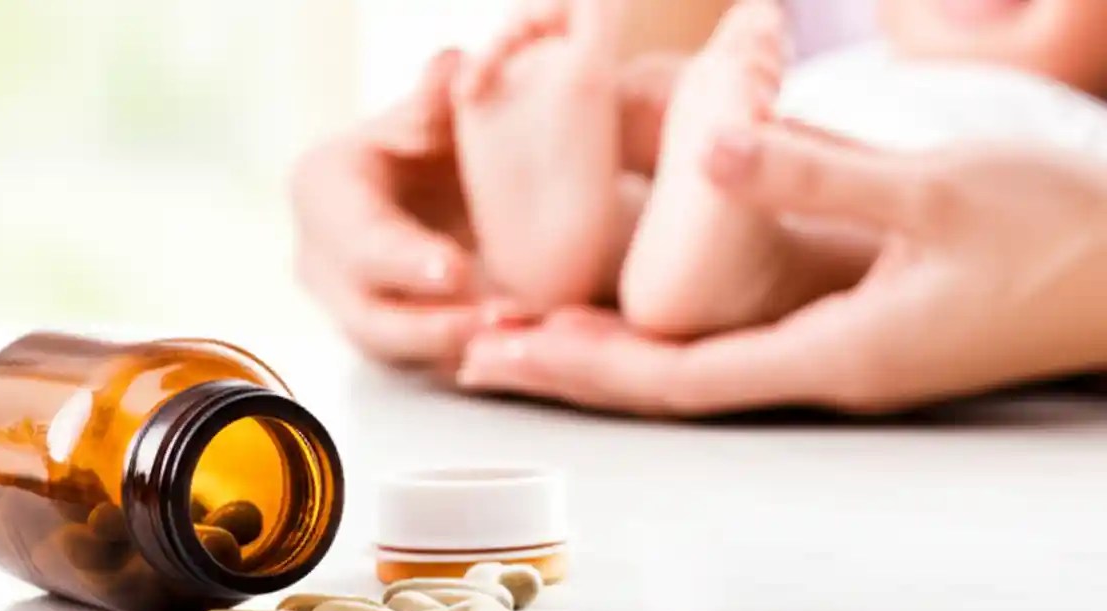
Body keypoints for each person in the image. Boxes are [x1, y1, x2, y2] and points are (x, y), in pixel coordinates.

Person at [291, 0, 1107, 415]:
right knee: (707, 161)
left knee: (834, 226)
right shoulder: (844, 69)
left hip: (979, 199)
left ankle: (717, 247)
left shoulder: (1075, 127)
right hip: (791, 137)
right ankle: (587, 232)